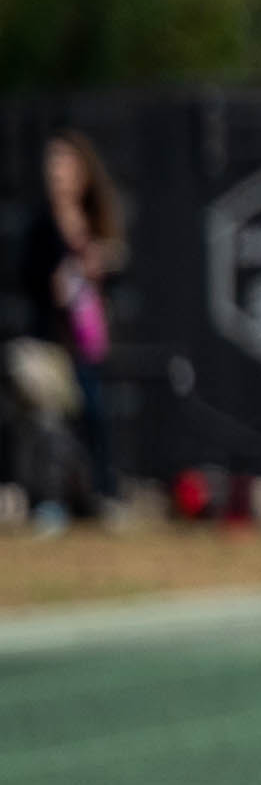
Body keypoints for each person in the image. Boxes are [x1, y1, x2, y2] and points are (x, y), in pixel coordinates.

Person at [14, 131, 122, 531]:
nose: (58, 173)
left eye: (66, 164)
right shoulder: (42, 223)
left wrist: (100, 264)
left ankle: (99, 495)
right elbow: (25, 276)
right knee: (49, 425)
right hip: (50, 339)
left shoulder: (96, 219)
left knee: (93, 416)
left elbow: (118, 271)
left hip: (86, 339)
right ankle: (50, 501)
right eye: (54, 164)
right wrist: (52, 283)